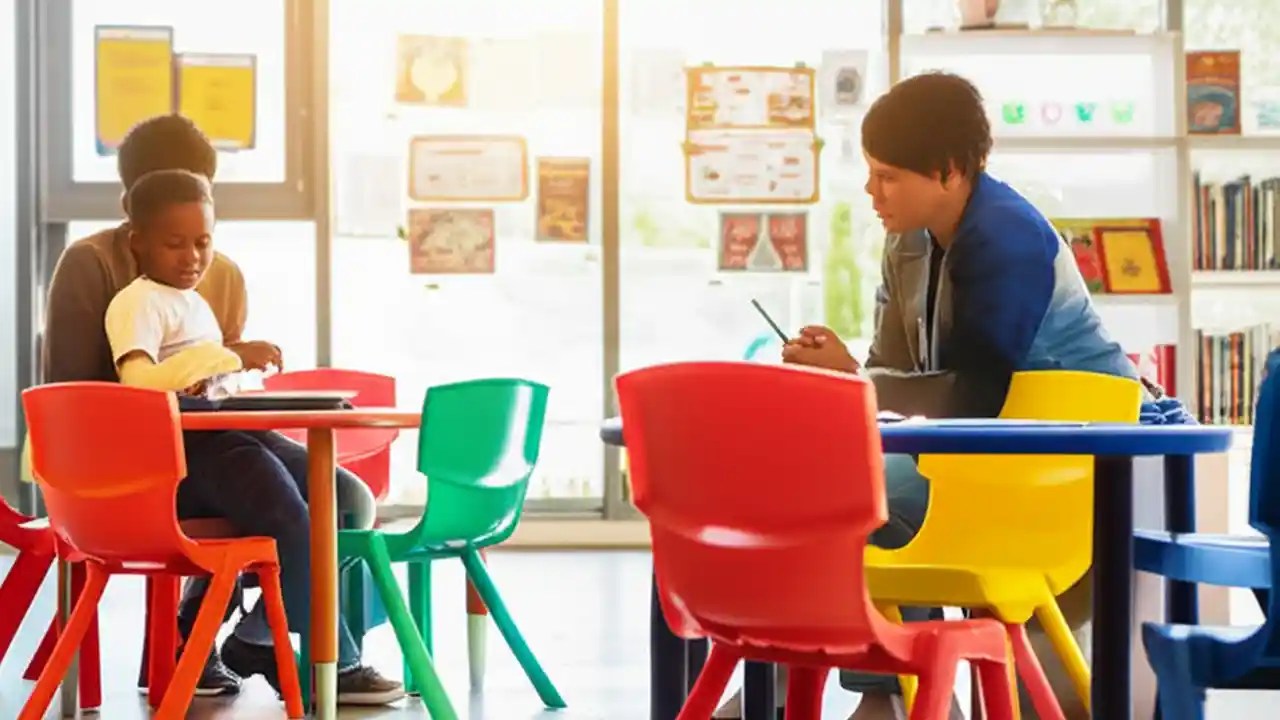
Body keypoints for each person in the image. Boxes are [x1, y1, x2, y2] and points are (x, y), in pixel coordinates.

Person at [778, 72, 1184, 720]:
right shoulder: (909, 240)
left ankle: (881, 698)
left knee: (856, 496)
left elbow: (976, 393)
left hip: (1065, 463)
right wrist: (852, 373)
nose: (871, 191)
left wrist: (854, 381)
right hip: (978, 454)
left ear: (947, 171)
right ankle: (888, 694)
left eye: (888, 175)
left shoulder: (1007, 237)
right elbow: (896, 369)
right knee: (846, 491)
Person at [39, 115, 403, 705]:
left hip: (213, 437)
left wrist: (235, 375)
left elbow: (217, 382)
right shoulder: (93, 265)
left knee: (348, 497)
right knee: (268, 494)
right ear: (131, 207)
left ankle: (258, 636)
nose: (192, 253)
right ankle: (305, 655)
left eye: (200, 214)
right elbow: (78, 395)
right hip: (137, 464)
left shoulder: (219, 272)